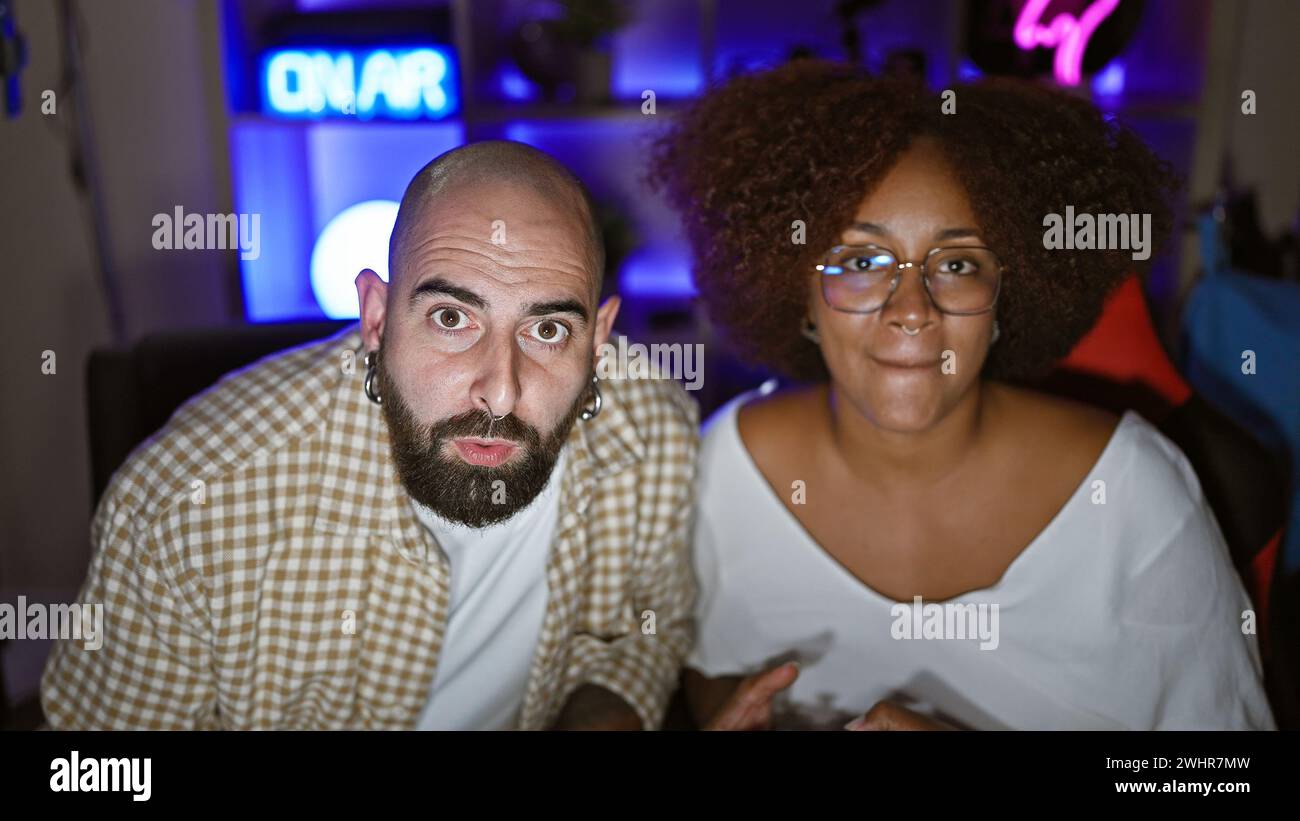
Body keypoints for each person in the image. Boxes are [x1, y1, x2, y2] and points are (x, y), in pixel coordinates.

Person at [650, 61, 1274, 730]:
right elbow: (708, 666)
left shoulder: (1131, 496)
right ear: (799, 295)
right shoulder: (722, 472)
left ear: (1008, 296)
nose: (911, 309)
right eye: (862, 262)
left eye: (956, 264)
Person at [41, 140, 699, 730]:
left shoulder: (653, 436)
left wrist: (607, 713)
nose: (500, 391)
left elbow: (640, 637)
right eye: (451, 317)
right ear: (377, 318)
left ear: (599, 338)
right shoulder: (188, 510)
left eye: (549, 329)